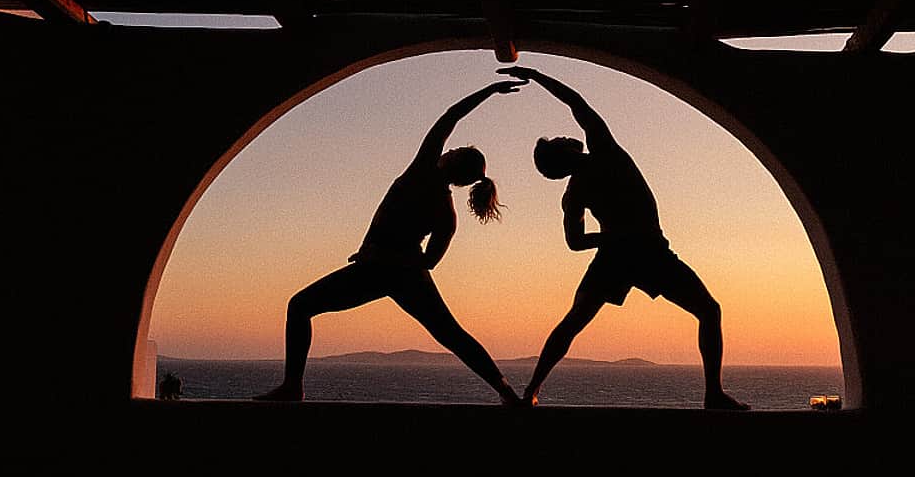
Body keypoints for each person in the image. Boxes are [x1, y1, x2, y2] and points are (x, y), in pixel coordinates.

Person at [255, 80, 528, 405]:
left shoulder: (424, 168)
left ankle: (292, 387)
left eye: (454, 151)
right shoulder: (446, 212)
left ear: (454, 162)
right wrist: (380, 254)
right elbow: (428, 262)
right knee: (451, 334)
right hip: (402, 274)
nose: (448, 149)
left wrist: (489, 91)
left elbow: (450, 116)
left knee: (299, 306)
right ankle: (507, 392)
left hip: (381, 270)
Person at [498, 65, 750, 410]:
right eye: (557, 140)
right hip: (647, 252)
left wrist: (608, 238)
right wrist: (539, 76)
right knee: (708, 310)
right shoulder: (603, 151)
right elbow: (577, 103)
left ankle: (530, 392)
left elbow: (574, 241)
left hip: (619, 256)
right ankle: (713, 394)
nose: (563, 136)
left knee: (573, 322)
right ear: (565, 152)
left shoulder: (574, 193)